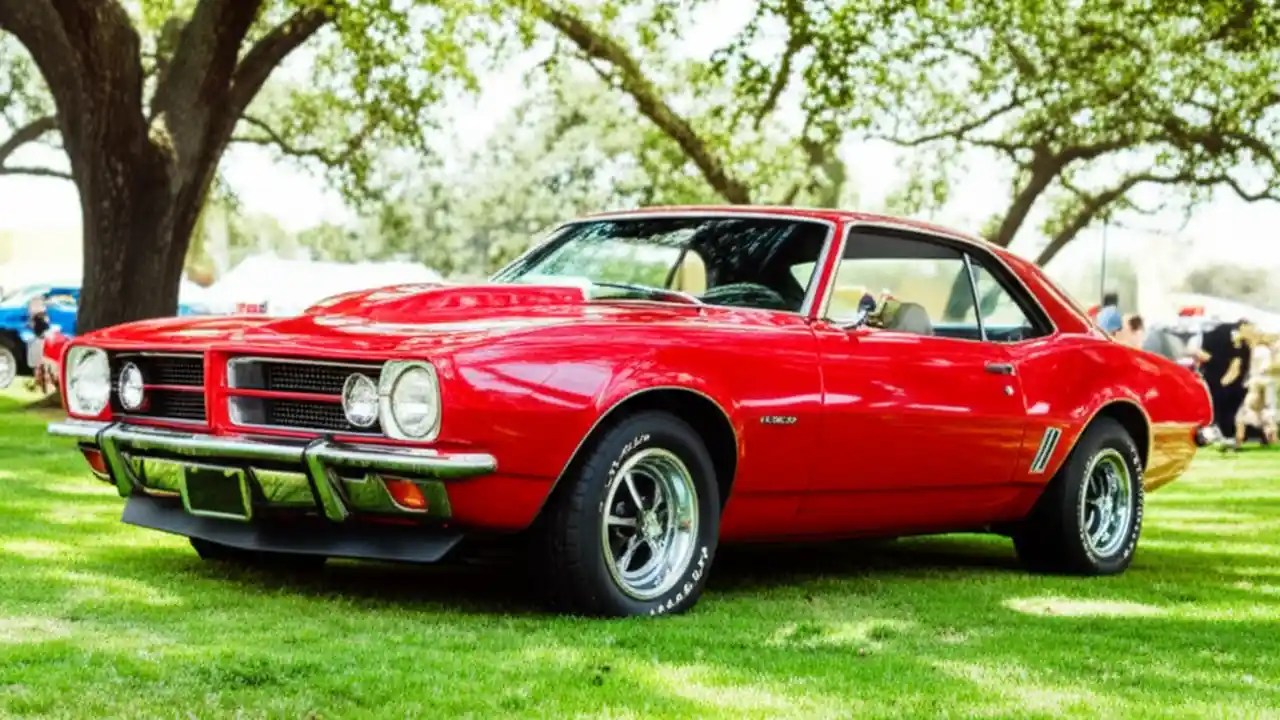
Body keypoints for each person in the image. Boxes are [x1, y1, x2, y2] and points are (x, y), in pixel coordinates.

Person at [1199, 318, 1258, 450]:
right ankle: (1225, 436)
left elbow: (1237, 365)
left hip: (1232, 382)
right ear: (1243, 326)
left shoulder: (1243, 344)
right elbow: (1233, 364)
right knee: (1222, 409)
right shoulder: (1225, 334)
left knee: (1230, 410)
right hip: (1221, 379)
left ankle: (1229, 436)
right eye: (1250, 328)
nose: (1253, 331)